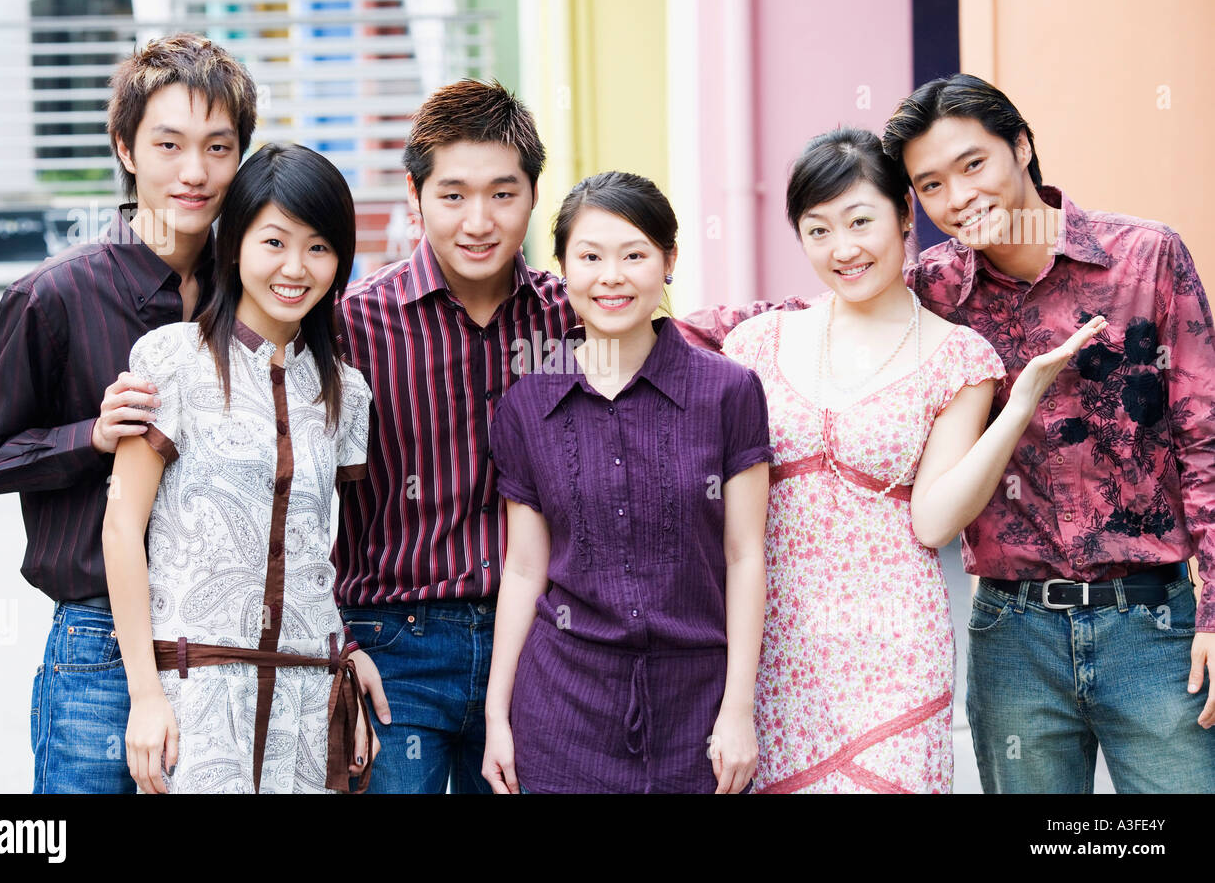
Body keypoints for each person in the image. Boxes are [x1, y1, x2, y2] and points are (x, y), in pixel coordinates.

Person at [682, 73, 1215, 793]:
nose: (958, 197)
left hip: (1153, 626)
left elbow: (1203, 436)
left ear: (1021, 146)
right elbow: (792, 315)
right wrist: (605, 307)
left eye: (973, 165)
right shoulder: (930, 290)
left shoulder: (1146, 256)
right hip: (1013, 634)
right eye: (931, 185)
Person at [719, 127, 1104, 793]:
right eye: (817, 231)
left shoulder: (958, 358)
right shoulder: (754, 345)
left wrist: (1019, 406)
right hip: (774, 655)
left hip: (895, 656)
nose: (843, 249)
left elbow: (931, 523)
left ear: (903, 215)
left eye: (860, 221)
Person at [0, 33, 256, 794]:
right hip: (97, 648)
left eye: (219, 147)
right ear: (125, 146)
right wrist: (88, 435)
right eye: (169, 144)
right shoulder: (50, 297)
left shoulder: (253, 289)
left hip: (227, 639)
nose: (195, 172)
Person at [479, 172, 769, 794]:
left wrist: (738, 709)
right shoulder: (527, 405)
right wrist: (497, 717)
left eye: (634, 255)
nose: (611, 277)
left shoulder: (729, 392)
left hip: (698, 710)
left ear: (668, 261)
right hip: (562, 710)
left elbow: (745, 555)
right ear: (562, 268)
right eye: (589, 257)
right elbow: (525, 570)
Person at [104, 143, 379, 793]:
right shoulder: (171, 359)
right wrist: (146, 695)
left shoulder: (346, 391)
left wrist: (347, 653)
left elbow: (323, 549)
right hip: (198, 694)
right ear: (235, 245)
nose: (295, 267)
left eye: (318, 247)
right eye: (274, 242)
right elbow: (121, 530)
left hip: (310, 699)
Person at [332, 79, 576, 793]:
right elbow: (298, 497)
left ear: (533, 195)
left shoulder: (573, 320)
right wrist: (335, 646)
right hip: (391, 646)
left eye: (503, 194)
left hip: (533, 643)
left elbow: (683, 343)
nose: (479, 221)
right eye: (453, 195)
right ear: (415, 196)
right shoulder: (353, 326)